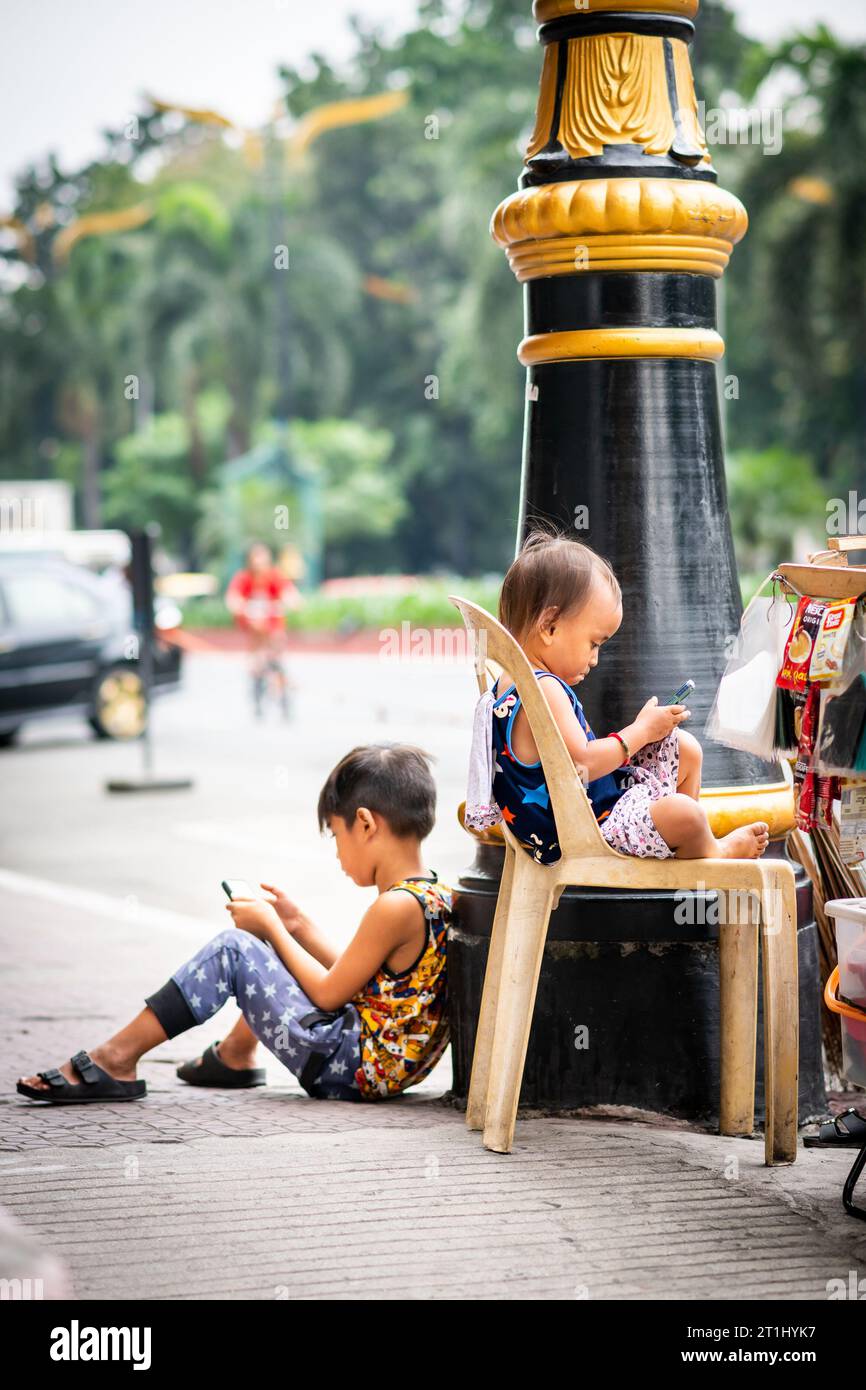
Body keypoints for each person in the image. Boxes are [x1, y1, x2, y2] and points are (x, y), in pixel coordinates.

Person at [16, 745, 453, 1105]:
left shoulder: (393, 906)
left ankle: (116, 1058)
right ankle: (234, 1056)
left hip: (352, 1068)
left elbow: (328, 992)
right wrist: (297, 925)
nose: (338, 855)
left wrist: (271, 929)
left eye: (336, 837)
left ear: (365, 823)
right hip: (372, 1060)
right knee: (267, 956)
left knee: (234, 949)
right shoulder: (431, 895)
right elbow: (363, 979)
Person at [478, 526, 771, 865]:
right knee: (686, 814)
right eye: (593, 643)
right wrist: (642, 730)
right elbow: (583, 762)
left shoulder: (509, 684)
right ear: (550, 627)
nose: (595, 658)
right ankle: (712, 851)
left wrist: (648, 730)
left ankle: (687, 849)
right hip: (590, 828)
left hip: (597, 810)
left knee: (686, 750)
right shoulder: (543, 687)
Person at [226, 542, 299, 718]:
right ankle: (257, 689)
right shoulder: (243, 578)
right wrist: (240, 607)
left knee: (277, 650)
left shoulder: (275, 577)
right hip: (254, 628)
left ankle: (281, 693)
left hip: (273, 626)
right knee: (256, 661)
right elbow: (232, 599)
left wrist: (290, 601)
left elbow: (291, 595)